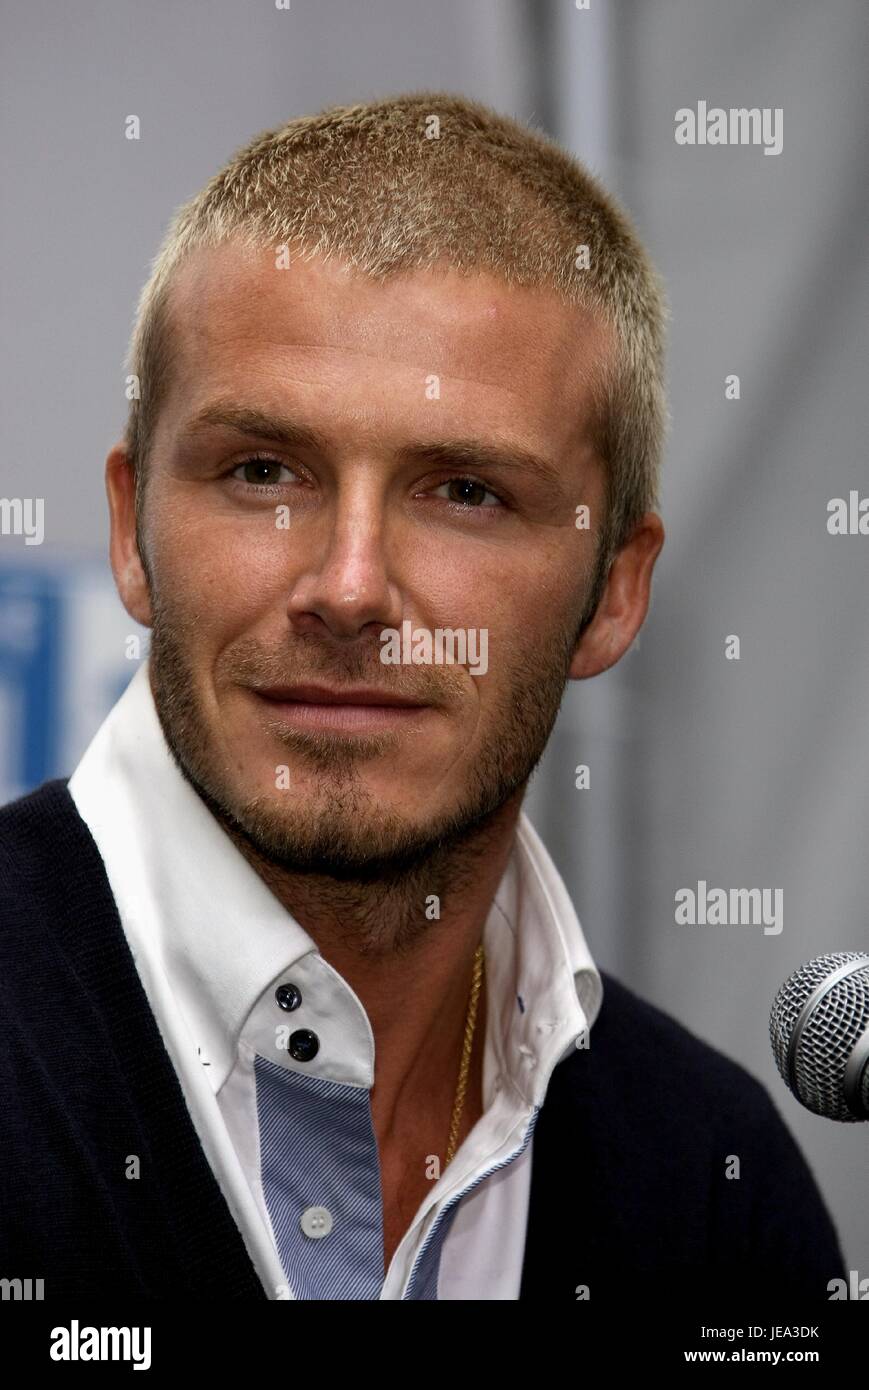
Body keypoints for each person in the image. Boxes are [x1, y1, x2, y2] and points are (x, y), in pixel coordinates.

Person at [0, 92, 845, 1302]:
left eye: (463, 492)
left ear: (612, 588)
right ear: (131, 534)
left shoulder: (713, 1181)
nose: (347, 589)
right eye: (261, 471)